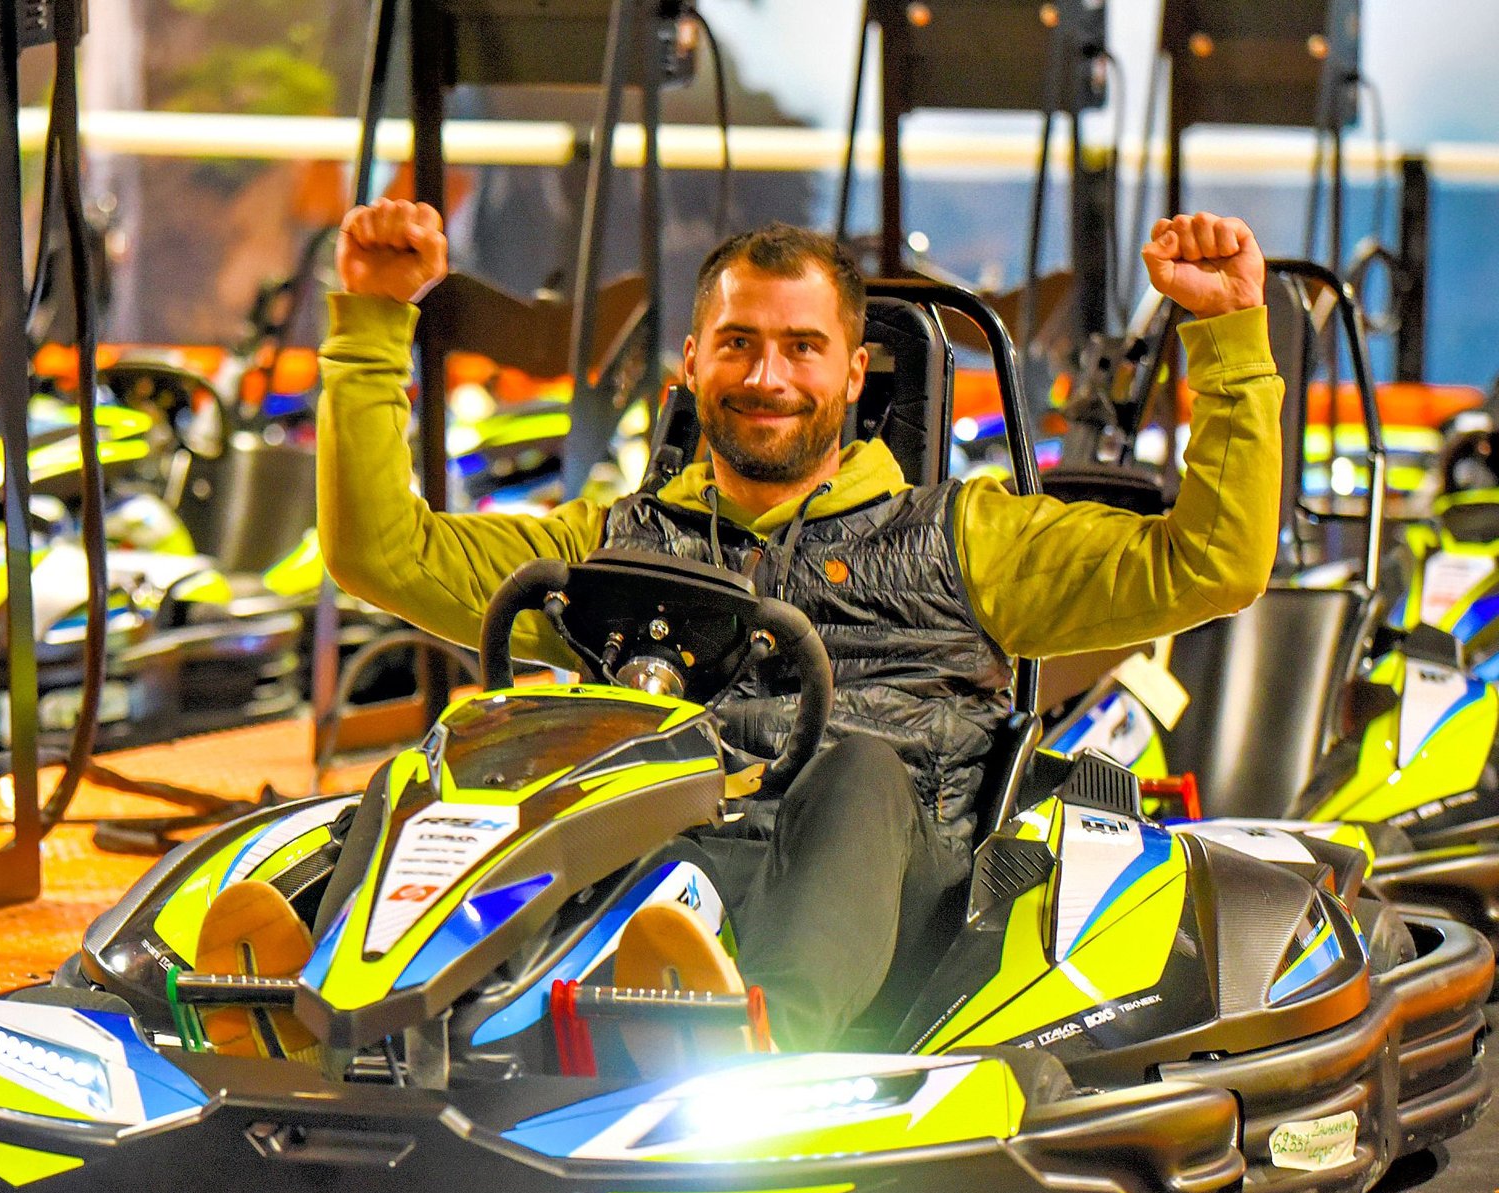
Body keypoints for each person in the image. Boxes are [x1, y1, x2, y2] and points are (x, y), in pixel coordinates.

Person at [207, 200, 1281, 1057]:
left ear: (853, 375)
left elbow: (1209, 564)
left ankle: (753, 1045)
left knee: (856, 768)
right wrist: (370, 324)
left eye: (802, 348)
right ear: (690, 364)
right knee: (460, 754)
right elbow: (383, 558)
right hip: (654, 855)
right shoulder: (614, 542)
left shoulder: (966, 535)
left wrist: (1228, 338)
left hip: (884, 888)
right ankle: (325, 1001)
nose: (768, 377)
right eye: (739, 344)